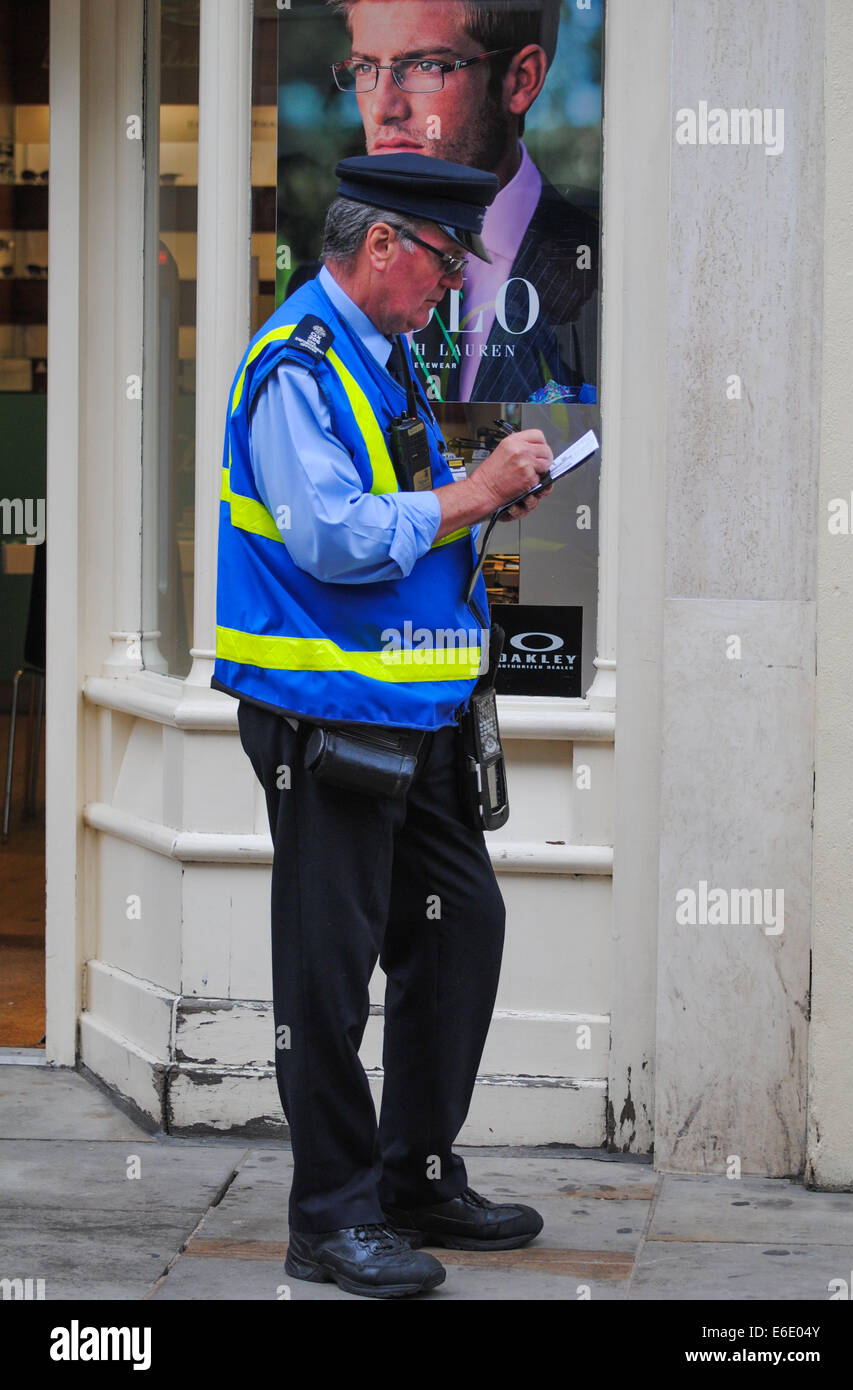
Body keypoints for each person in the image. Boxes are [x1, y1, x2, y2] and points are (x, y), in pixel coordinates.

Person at [211, 152, 556, 1299]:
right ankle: (331, 1217)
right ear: (381, 248)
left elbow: (408, 510)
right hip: (327, 721)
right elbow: (335, 536)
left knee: (462, 930)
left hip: (419, 714)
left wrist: (485, 497)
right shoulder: (296, 365)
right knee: (327, 971)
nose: (451, 286)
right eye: (444, 261)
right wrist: (473, 491)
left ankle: (411, 1173)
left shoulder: (387, 356)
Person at [327, 0, 599, 403]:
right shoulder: (326, 282)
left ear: (521, 80)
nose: (384, 108)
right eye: (366, 67)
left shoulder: (606, 267)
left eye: (425, 66)